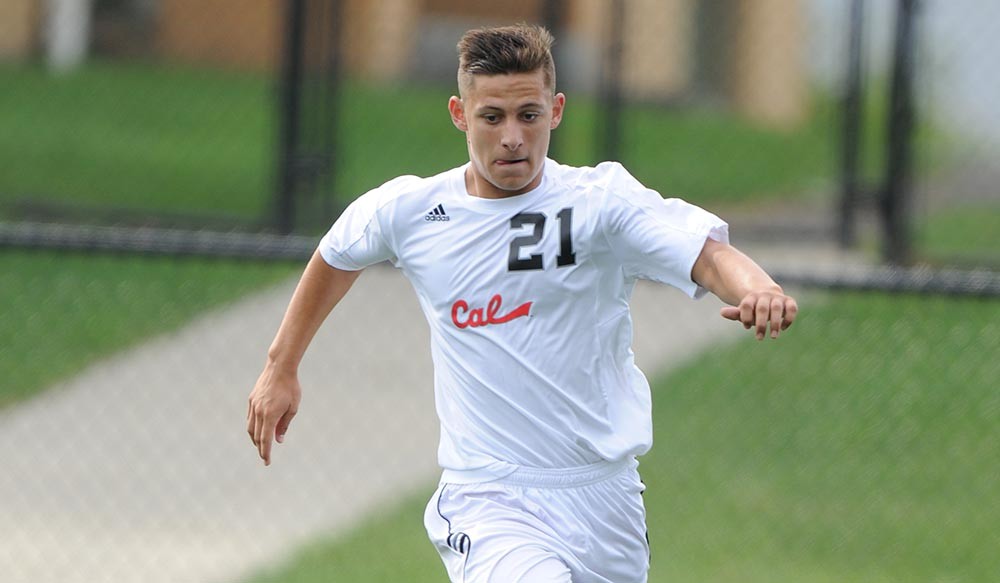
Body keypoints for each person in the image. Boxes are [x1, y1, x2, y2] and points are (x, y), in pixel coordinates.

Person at [247, 23, 798, 583]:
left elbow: (704, 254)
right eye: (492, 117)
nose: (512, 136)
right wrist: (280, 366)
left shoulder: (599, 203)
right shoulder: (412, 211)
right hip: (489, 494)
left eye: (528, 115)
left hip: (604, 498)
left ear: (555, 110)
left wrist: (759, 289)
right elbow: (337, 254)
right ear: (461, 115)